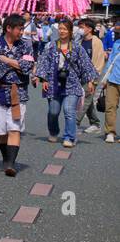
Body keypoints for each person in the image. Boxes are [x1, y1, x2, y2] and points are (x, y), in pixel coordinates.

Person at [32, 19, 96, 149]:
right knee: (53, 112)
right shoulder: (50, 46)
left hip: (72, 83)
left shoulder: (77, 48)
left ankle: (69, 137)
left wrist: (90, 81)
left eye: (65, 29)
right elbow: (44, 63)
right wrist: (43, 79)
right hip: (53, 83)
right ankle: (53, 131)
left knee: (69, 111)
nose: (62, 31)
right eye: (60, 28)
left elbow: (86, 65)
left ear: (71, 31)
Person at [0, 14, 35, 176]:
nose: (22, 32)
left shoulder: (26, 45)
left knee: (15, 128)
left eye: (23, 29)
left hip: (18, 92)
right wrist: (17, 65)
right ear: (8, 28)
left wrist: (6, 60)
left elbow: (27, 67)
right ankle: (6, 158)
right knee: (1, 131)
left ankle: (11, 164)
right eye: (19, 29)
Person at [79, 19, 106, 133]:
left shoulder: (96, 42)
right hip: (80, 75)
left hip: (91, 76)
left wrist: (93, 78)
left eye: (82, 27)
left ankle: (74, 123)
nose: (80, 29)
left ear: (89, 29)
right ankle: (95, 123)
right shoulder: (80, 41)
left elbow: (99, 61)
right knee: (86, 99)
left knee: (85, 99)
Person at [99, 36, 120, 143]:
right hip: (113, 79)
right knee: (110, 106)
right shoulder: (117, 43)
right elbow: (111, 61)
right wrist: (105, 79)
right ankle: (110, 132)